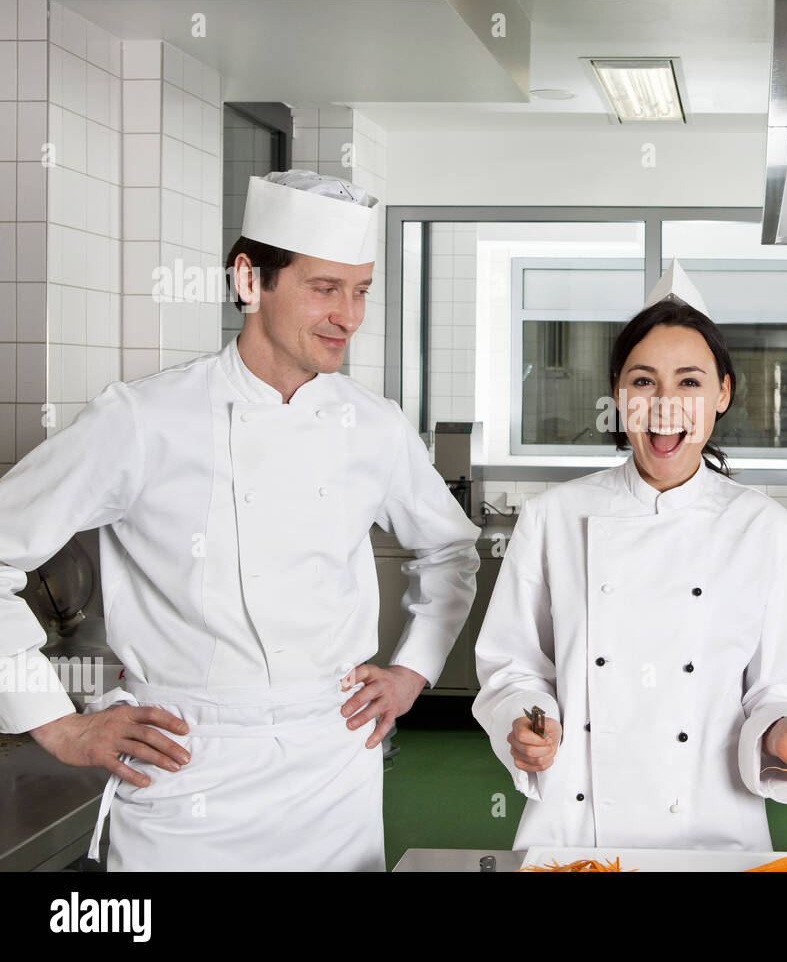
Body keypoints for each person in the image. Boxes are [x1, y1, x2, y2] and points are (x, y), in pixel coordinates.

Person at [0, 170, 480, 870]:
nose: (349, 316)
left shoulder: (374, 425)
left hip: (332, 768)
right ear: (250, 279)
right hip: (184, 770)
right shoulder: (143, 421)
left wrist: (412, 669)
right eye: (325, 288)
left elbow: (451, 551)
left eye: (361, 290)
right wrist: (56, 723)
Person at [473, 260, 787, 851]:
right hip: (578, 830)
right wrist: (528, 720)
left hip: (711, 828)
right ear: (617, 393)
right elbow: (514, 667)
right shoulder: (552, 518)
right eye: (642, 382)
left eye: (689, 383)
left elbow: (785, 685)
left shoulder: (766, 531)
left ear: (722, 394)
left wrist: (782, 730)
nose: (665, 405)